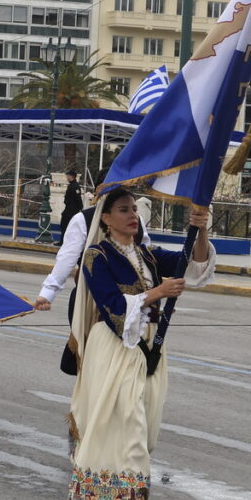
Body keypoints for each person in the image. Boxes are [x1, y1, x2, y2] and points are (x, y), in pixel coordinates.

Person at [67, 188, 214, 499]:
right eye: (123, 210)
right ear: (105, 218)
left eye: (134, 209)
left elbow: (190, 264)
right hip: (114, 350)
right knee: (124, 429)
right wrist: (158, 293)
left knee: (143, 428)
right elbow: (112, 307)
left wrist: (200, 230)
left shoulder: (146, 254)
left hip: (149, 351)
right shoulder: (97, 256)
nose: (133, 215)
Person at [59, 170, 83, 245]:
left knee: (66, 225)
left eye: (68, 176)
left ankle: (65, 242)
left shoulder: (75, 186)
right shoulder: (71, 185)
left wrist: (80, 207)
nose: (67, 177)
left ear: (71, 176)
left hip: (72, 210)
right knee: (63, 225)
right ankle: (63, 241)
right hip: (68, 208)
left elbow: (78, 197)